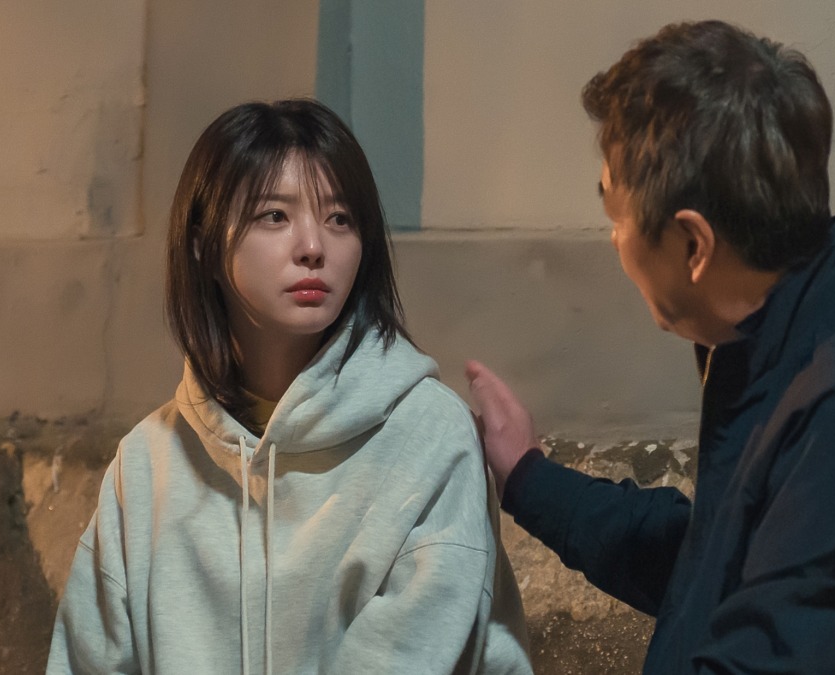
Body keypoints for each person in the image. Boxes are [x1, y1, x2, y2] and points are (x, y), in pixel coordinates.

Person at [466, 20, 835, 674]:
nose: (614, 240)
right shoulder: (791, 347)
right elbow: (715, 567)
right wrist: (531, 478)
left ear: (694, 244)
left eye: (616, 215)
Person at [48, 99, 532, 674]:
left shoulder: (429, 436)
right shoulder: (146, 464)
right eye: (274, 216)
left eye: (340, 218)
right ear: (204, 246)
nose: (313, 246)